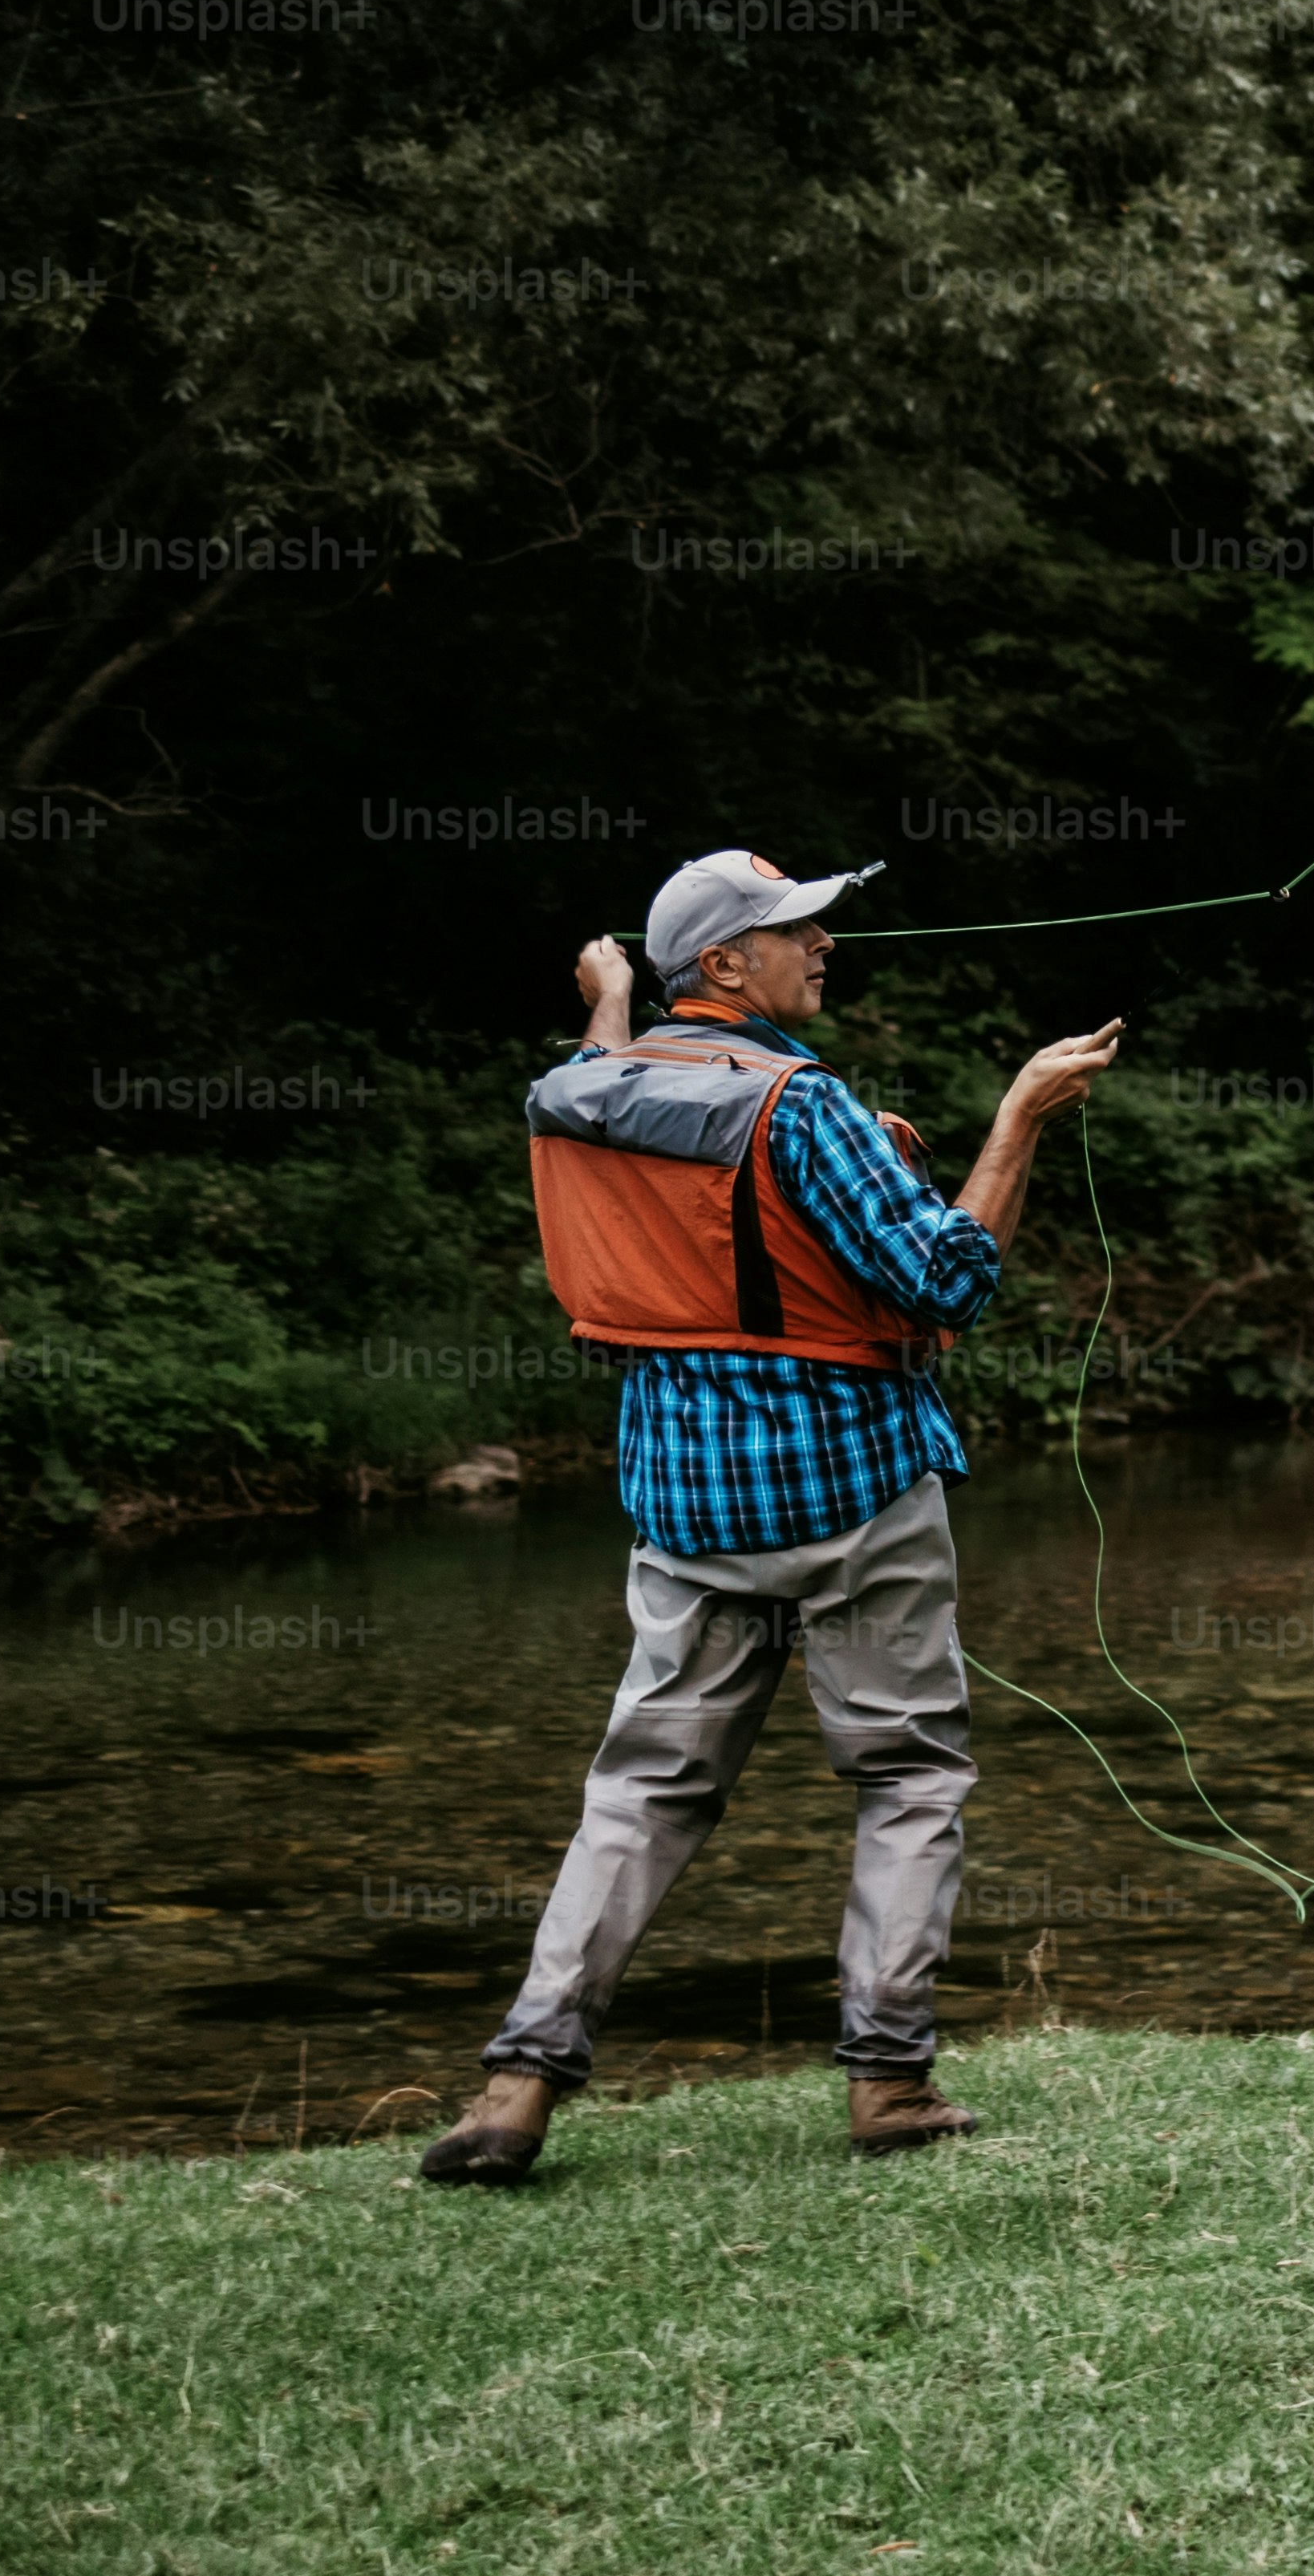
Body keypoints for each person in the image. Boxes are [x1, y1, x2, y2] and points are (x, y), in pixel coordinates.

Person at [417, 848, 1117, 2185]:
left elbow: (610, 1079)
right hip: (852, 1491)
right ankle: (890, 2085)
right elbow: (946, 1283)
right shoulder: (809, 1110)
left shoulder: (573, 1090)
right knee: (908, 1775)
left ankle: (515, 2088)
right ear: (725, 967)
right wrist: (1022, 1113)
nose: (823, 944)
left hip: (684, 1507)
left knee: (639, 1795)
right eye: (796, 928)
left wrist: (611, 994)